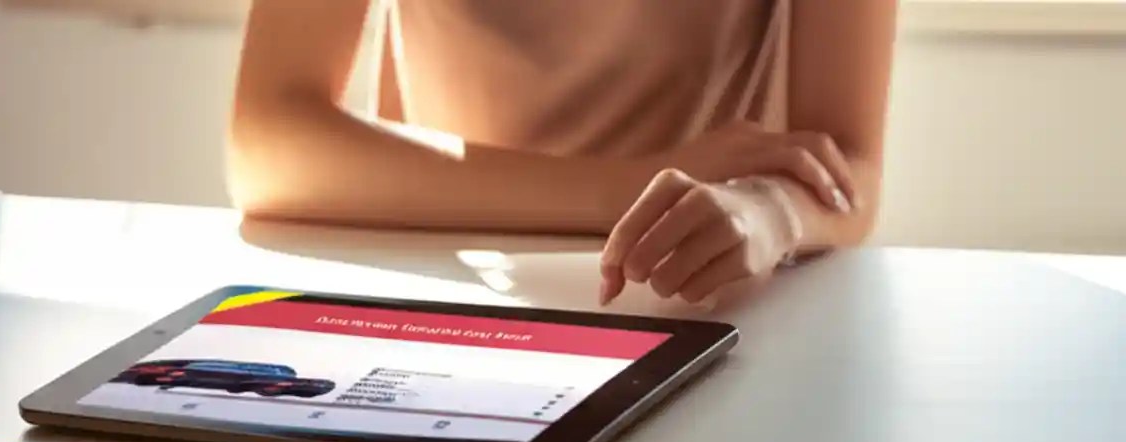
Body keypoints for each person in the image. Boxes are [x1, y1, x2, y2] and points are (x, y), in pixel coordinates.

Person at [228, 0, 898, 305]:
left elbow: (846, 165)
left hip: (697, 307)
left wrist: (763, 211)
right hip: (448, 300)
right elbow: (269, 147)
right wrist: (621, 190)